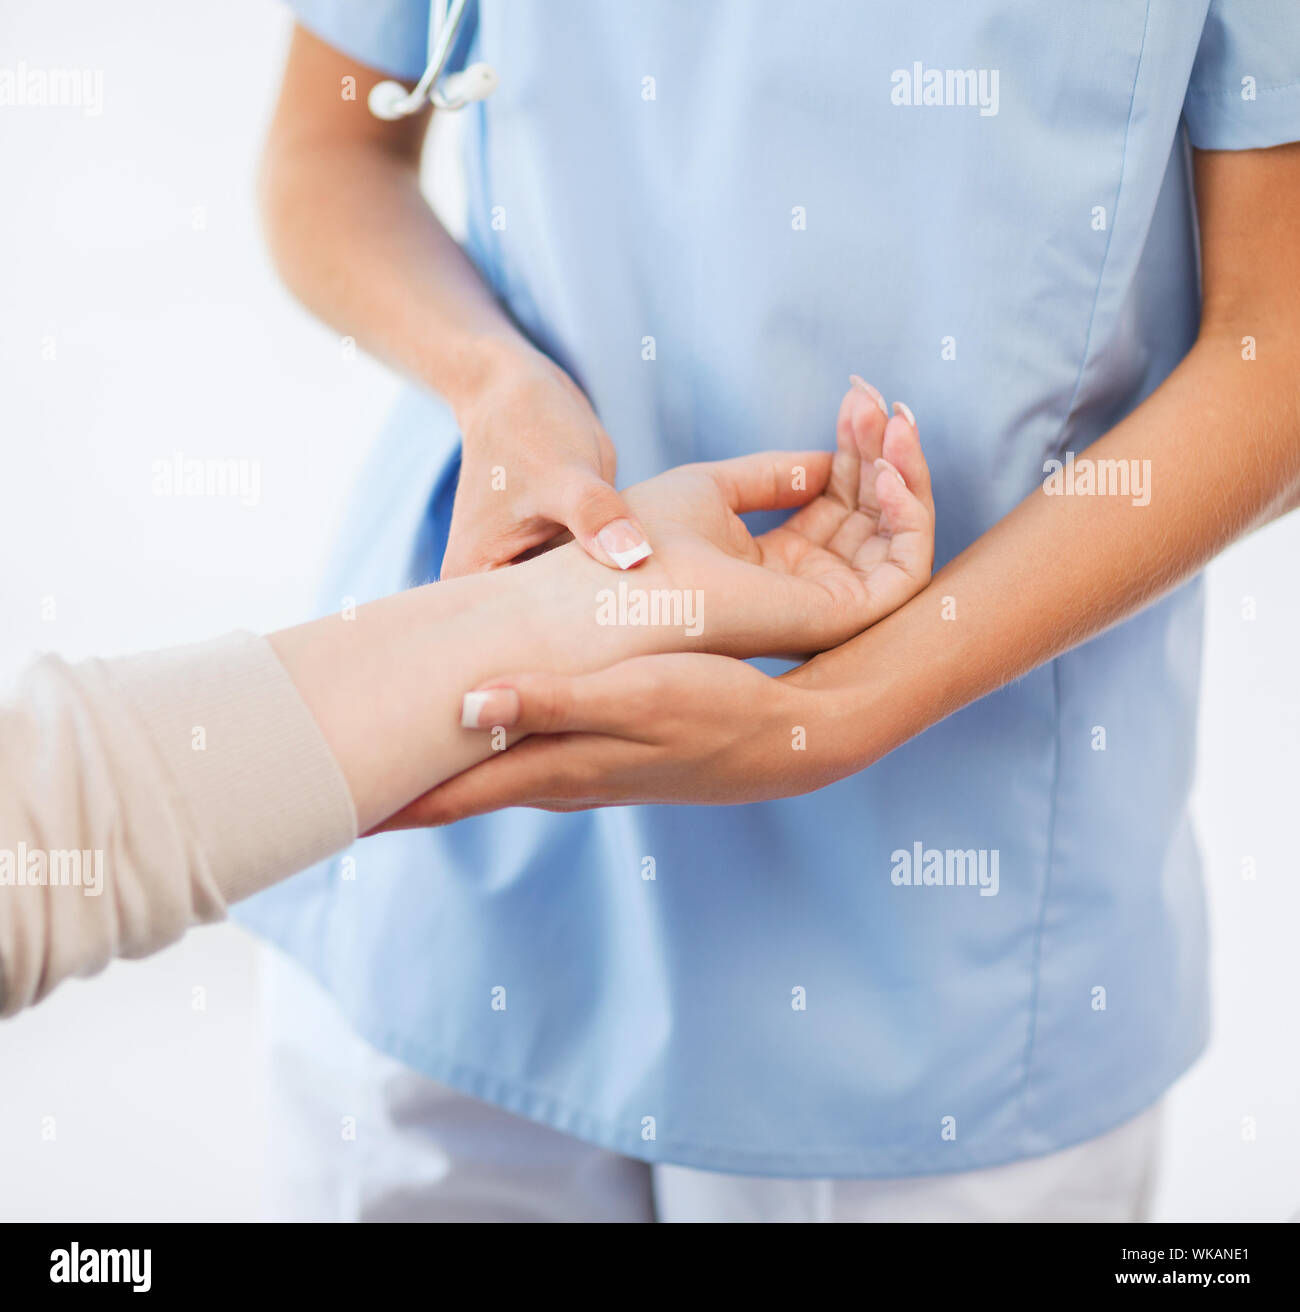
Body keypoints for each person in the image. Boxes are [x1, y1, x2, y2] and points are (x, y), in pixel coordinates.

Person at [245, 1, 1300, 1221]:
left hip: (949, 922)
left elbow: (1273, 341)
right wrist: (499, 386)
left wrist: (839, 709)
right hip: (472, 813)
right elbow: (326, 154)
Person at [0, 423, 932, 1016]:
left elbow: (60, 829)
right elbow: (61, 843)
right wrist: (557, 608)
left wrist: (557, 610)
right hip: (448, 946)